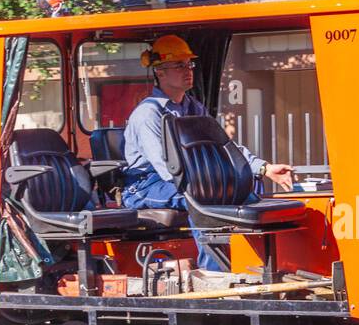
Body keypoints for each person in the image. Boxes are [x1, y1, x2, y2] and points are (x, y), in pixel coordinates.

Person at [122, 34, 294, 270]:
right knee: (199, 196)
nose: (188, 70)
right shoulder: (148, 114)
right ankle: (214, 276)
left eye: (189, 64)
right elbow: (166, 167)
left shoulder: (193, 107)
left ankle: (265, 265)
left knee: (246, 191)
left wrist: (263, 168)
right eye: (179, 65)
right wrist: (209, 183)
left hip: (188, 177)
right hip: (146, 186)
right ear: (159, 72)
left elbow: (222, 146)